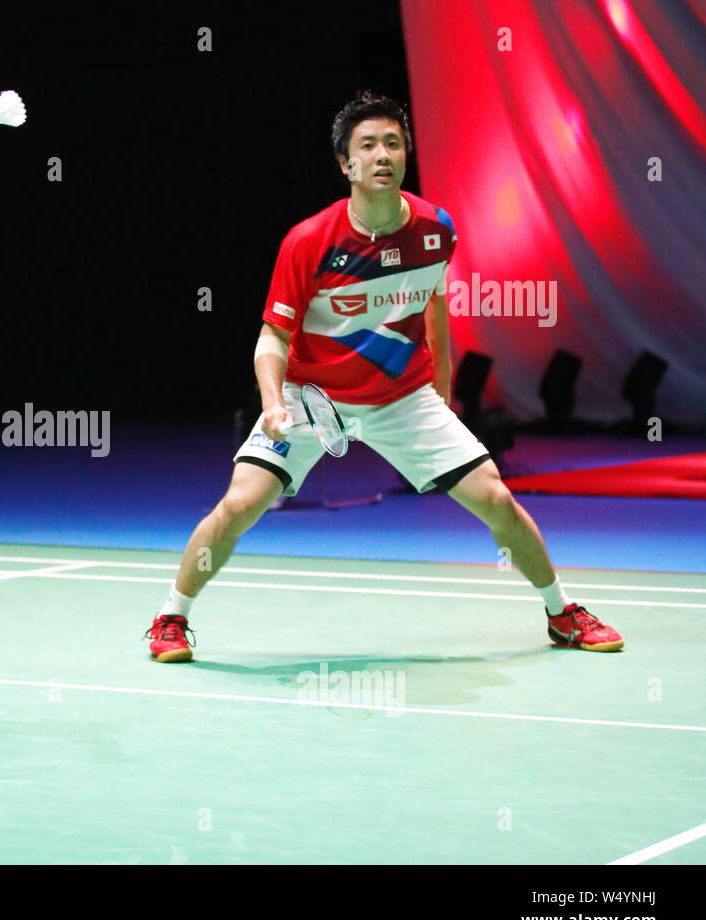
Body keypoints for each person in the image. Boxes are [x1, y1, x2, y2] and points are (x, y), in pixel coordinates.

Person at [144, 91, 624, 663]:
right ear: (346, 164)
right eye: (366, 146)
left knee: (494, 497)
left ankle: (561, 611)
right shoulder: (308, 243)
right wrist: (273, 401)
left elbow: (434, 309)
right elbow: (272, 336)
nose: (381, 154)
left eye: (392, 143)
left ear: (405, 156)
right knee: (240, 504)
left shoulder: (435, 229)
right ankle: (171, 617)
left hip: (402, 397)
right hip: (310, 394)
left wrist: (441, 395)